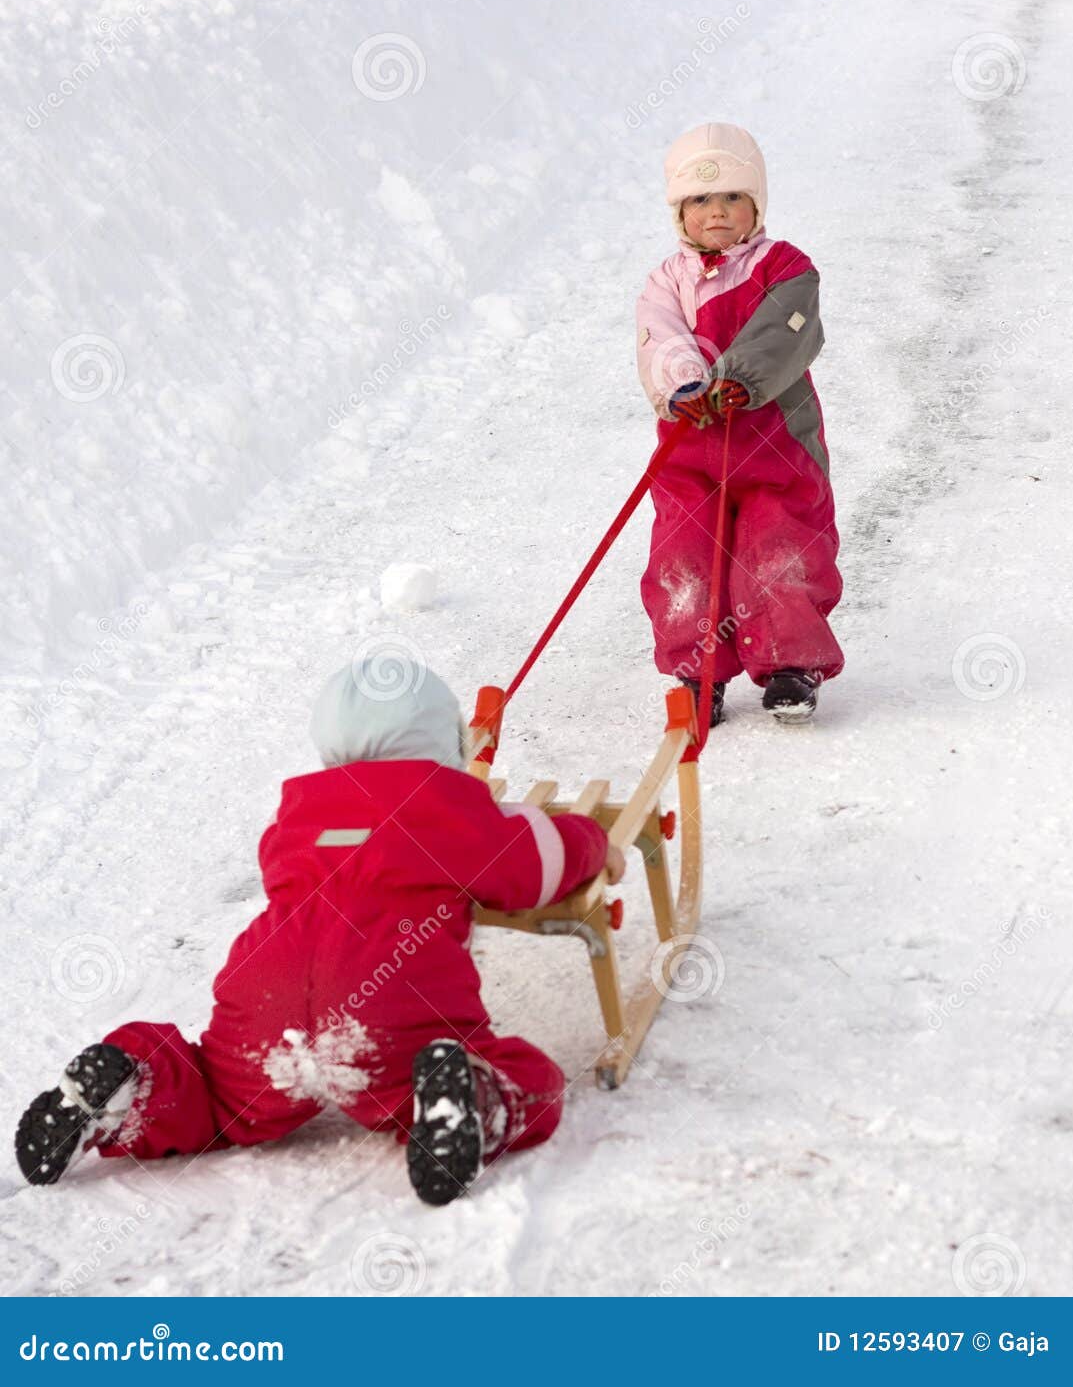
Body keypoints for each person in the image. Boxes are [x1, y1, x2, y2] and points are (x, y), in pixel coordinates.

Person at [15, 660, 623, 1206]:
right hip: (389, 1007)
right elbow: (533, 864)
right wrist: (593, 844)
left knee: (219, 1102)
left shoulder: (301, 812)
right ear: (446, 742)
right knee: (534, 1076)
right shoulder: (451, 812)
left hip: (265, 998)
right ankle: (470, 1096)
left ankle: (132, 1085)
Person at [636, 121, 844, 724]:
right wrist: (685, 386)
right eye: (699, 200)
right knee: (685, 551)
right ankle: (697, 671)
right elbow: (659, 337)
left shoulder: (785, 265)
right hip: (690, 442)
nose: (717, 211)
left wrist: (738, 380)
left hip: (774, 440)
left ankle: (789, 663)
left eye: (732, 196)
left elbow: (787, 326)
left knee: (779, 543)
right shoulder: (666, 280)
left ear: (757, 203)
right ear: (680, 211)